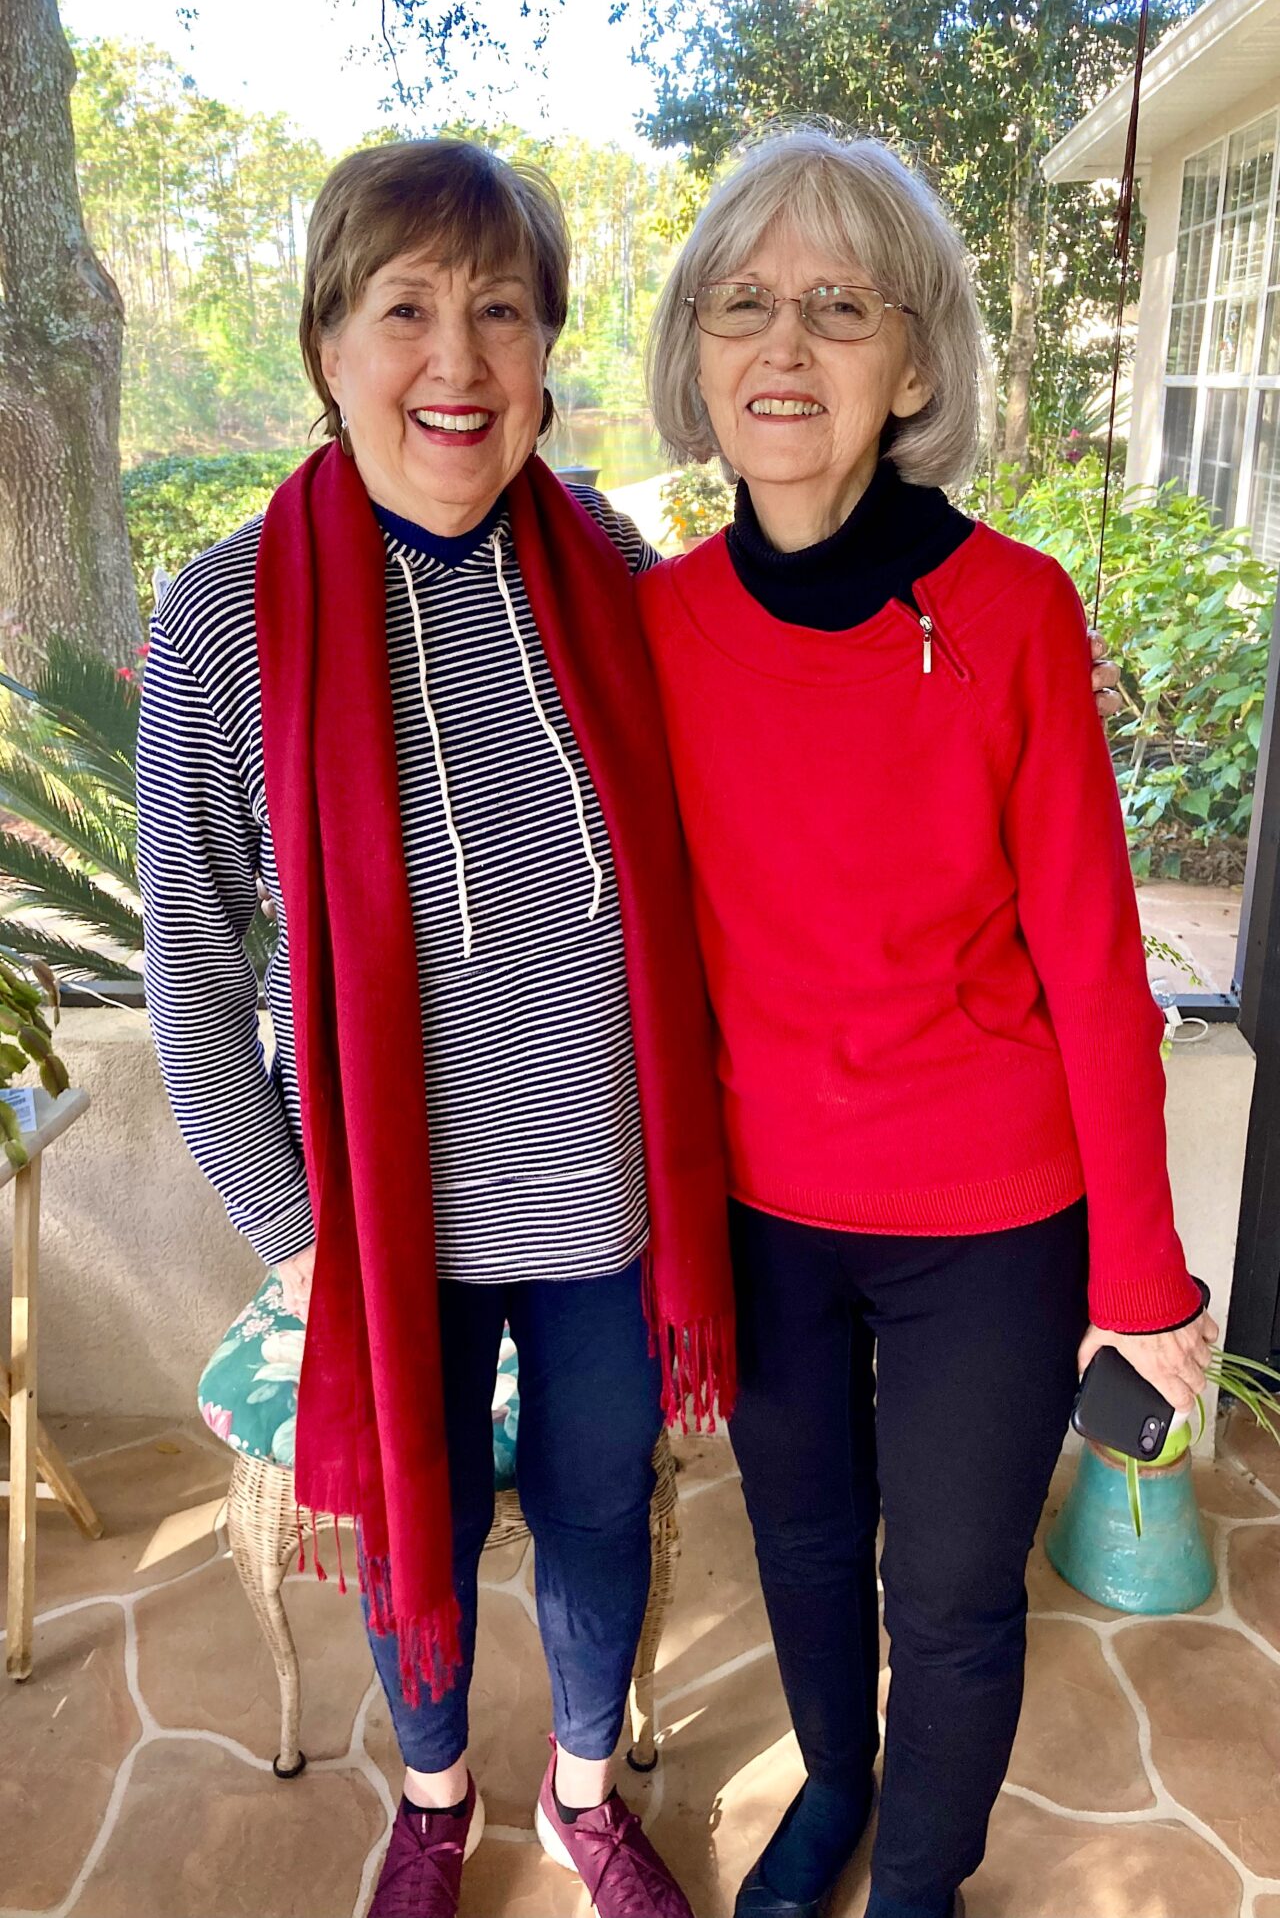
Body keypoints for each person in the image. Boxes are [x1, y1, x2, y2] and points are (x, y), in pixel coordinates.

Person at [135, 137, 736, 1918]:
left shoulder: (613, 572)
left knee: (596, 1515)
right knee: (420, 1529)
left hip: (609, 1205)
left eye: (501, 310)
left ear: (549, 348)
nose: (457, 362)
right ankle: (432, 1796)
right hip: (388, 1230)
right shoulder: (221, 624)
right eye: (407, 309)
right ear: (330, 345)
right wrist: (306, 1238)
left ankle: (577, 1794)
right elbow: (190, 975)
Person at [638, 128, 1218, 1918]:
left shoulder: (1017, 612)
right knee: (805, 1547)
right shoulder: (650, 625)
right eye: (745, 306)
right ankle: (833, 1793)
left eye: (838, 305)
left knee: (954, 1595)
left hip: (991, 1213)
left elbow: (1096, 971)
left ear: (914, 363)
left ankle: (924, 1880)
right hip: (763, 1202)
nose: (786, 348)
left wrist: (1146, 1281)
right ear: (698, 358)